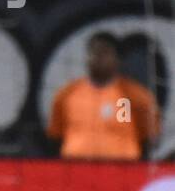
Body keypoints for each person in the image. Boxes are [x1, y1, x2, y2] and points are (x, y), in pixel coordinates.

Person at [47, 31, 159, 159]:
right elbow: (55, 137)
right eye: (94, 52)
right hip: (76, 168)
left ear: (117, 59)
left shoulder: (131, 96)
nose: (98, 57)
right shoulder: (68, 94)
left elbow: (150, 137)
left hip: (121, 170)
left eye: (105, 52)